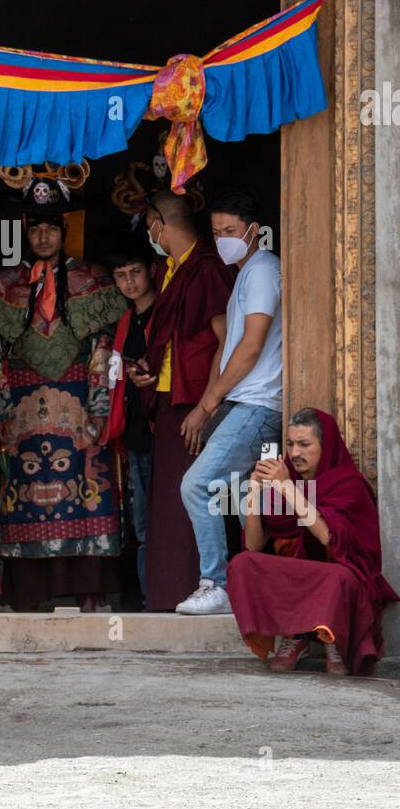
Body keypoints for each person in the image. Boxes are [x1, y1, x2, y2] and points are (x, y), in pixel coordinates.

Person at [0, 166, 124, 612]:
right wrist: (0, 411)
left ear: (66, 230)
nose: (43, 237)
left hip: (78, 403)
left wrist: (100, 405)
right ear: (25, 231)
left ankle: (89, 590)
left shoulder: (94, 280)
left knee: (85, 489)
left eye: (51, 228)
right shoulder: (1, 285)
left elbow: (105, 346)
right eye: (36, 228)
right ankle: (29, 594)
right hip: (20, 411)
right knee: (23, 497)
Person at [175, 190, 284, 614]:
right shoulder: (244, 273)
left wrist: (207, 405)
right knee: (243, 502)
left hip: (258, 407)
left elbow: (252, 346)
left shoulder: (261, 272)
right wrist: (213, 402)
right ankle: (258, 587)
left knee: (198, 484)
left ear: (254, 231)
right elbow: (231, 342)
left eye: (231, 232)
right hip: (244, 405)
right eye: (217, 232)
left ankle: (215, 583)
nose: (223, 240)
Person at [227, 408, 398, 675]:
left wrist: (287, 489)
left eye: (304, 444)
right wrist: (254, 496)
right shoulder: (286, 481)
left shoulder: (348, 484)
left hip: (337, 579)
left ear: (325, 446)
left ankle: (333, 638)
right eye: (291, 444)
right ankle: (294, 635)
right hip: (298, 575)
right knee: (242, 563)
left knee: (337, 578)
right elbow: (253, 546)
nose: (295, 453)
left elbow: (327, 536)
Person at [129, 189, 234, 611]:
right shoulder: (169, 269)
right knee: (169, 503)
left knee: (192, 497)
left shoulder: (207, 268)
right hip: (172, 399)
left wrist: (206, 407)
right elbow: (176, 341)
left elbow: (225, 342)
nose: (148, 233)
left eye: (149, 224)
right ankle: (170, 594)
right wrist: (150, 375)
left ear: (158, 222)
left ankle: (205, 587)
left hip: (197, 406)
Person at [106, 240, 157, 604]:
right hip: (136, 433)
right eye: (121, 276)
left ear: (151, 271)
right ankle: (148, 596)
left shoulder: (164, 312)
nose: (129, 283)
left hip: (163, 431)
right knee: (141, 523)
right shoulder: (125, 321)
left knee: (167, 515)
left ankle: (167, 588)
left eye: (135, 272)